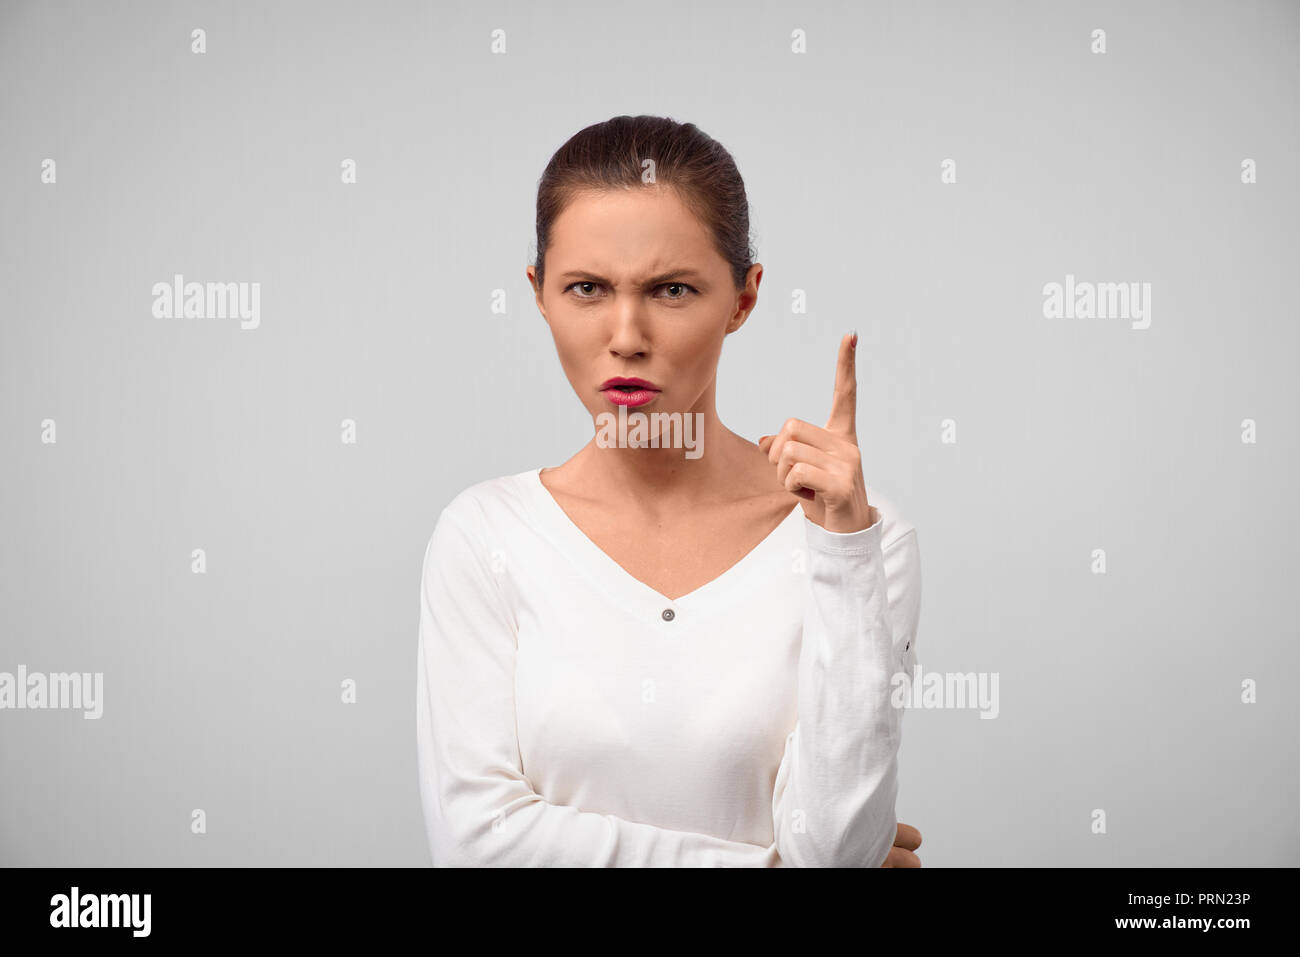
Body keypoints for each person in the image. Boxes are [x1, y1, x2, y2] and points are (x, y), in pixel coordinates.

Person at [416, 115, 923, 866]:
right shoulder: (484, 538)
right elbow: (479, 846)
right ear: (540, 294)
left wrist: (843, 553)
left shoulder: (860, 537)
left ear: (743, 299)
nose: (626, 333)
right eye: (586, 287)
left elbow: (836, 846)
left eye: (672, 289)